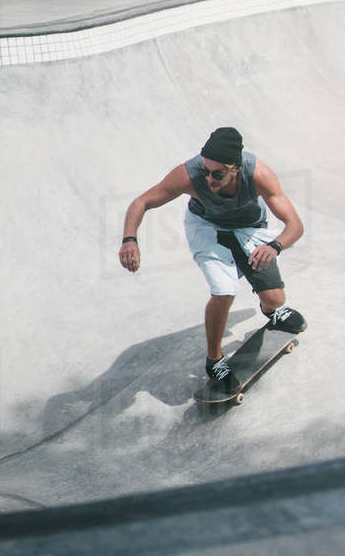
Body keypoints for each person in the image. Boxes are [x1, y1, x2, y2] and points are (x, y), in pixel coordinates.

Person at [119, 126, 306, 390]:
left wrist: (274, 247)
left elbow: (295, 225)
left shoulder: (259, 175)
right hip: (207, 228)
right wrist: (129, 239)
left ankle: (270, 309)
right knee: (224, 289)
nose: (208, 179)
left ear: (235, 169)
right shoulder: (188, 174)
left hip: (250, 226)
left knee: (275, 299)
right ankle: (214, 360)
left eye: (217, 174)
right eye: (205, 171)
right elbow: (141, 202)